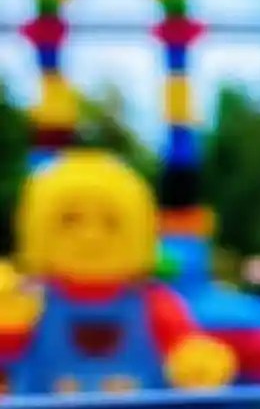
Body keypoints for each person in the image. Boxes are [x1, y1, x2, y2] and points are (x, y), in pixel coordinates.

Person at [0, 150, 236, 394]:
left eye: (111, 222)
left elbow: (186, 347)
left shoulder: (155, 304)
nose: (90, 237)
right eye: (69, 220)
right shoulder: (28, 300)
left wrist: (196, 364)